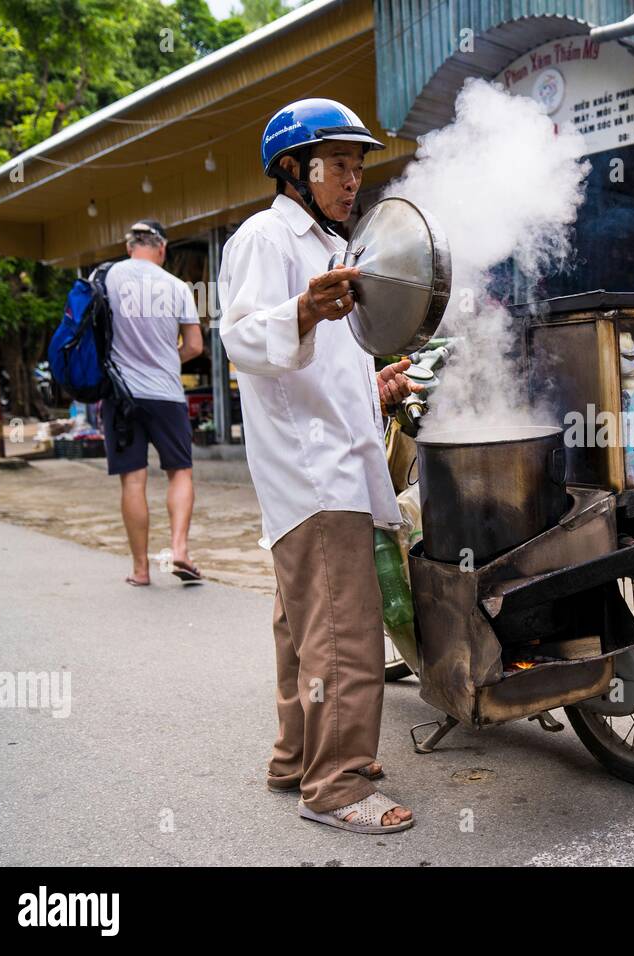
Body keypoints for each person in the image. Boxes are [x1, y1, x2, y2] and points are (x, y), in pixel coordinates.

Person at [219, 99, 420, 835]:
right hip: (314, 472)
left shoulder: (331, 246)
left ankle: (295, 756)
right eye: (338, 164)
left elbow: (320, 370)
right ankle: (336, 787)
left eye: (358, 165)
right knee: (345, 629)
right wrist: (301, 314)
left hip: (333, 458)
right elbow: (241, 340)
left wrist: (374, 385)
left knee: (301, 624)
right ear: (293, 169)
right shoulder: (266, 238)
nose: (352, 179)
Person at [103, 219, 205, 586]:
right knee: (180, 472)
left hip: (120, 395)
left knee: (133, 480)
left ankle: (141, 570)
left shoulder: (109, 277)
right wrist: (164, 360)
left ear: (131, 246)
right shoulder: (177, 287)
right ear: (161, 248)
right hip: (166, 395)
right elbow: (195, 346)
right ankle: (179, 549)